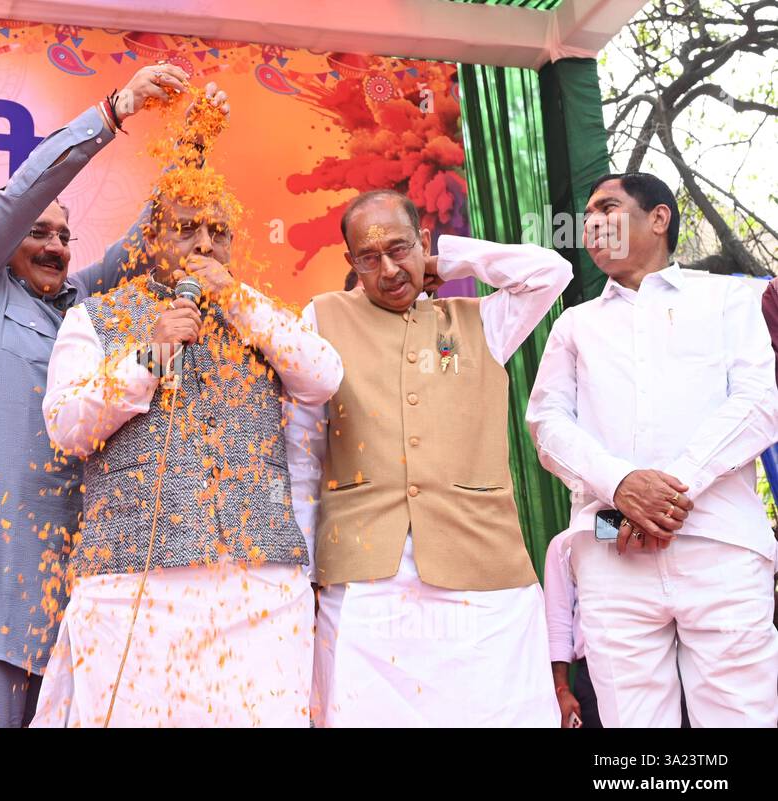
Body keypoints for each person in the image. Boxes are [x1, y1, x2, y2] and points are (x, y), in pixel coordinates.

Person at [0, 63, 231, 728]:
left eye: (64, 235)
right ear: (1, 242)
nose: (56, 245)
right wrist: (114, 111)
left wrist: (191, 151)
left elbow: (147, 241)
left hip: (77, 553)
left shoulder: (80, 309)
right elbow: (27, 193)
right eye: (39, 232)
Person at [31, 165, 344, 727]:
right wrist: (149, 355)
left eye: (218, 231)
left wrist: (239, 301)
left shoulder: (260, 317)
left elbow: (322, 377)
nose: (205, 243)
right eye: (187, 229)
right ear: (152, 239)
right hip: (134, 584)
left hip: (260, 583)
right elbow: (65, 425)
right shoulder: (97, 316)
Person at [291, 188, 572, 727]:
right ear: (350, 262)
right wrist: (305, 570)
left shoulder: (483, 321)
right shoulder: (320, 319)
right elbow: (303, 453)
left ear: (423, 241)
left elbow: (551, 272)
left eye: (400, 249)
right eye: (369, 259)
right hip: (366, 580)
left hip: (483, 575)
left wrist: (453, 260)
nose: (390, 269)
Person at [527, 171, 778, 728]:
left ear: (658, 218)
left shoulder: (731, 299)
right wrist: (621, 485)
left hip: (720, 544)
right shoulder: (575, 325)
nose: (590, 223)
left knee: (743, 717)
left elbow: (760, 404)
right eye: (586, 215)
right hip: (612, 548)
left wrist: (670, 488)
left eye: (606, 209)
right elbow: (546, 423)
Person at [543, 532, 602, 728]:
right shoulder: (564, 544)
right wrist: (562, 689)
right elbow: (558, 624)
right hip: (594, 674)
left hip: (661, 661)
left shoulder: (649, 532)